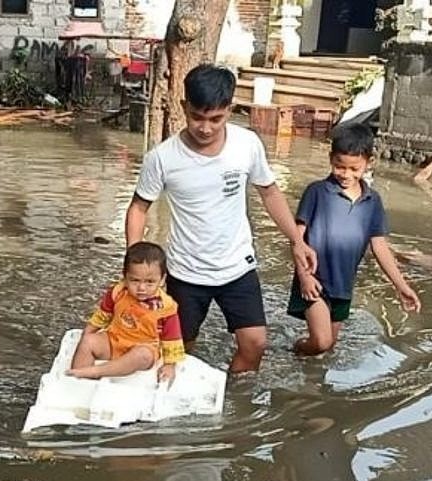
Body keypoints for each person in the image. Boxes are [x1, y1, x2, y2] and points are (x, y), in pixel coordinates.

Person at [125, 64, 317, 374]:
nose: (205, 128)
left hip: (237, 267)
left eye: (216, 118)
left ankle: (231, 401)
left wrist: (297, 241)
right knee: (176, 351)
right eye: (197, 117)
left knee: (255, 344)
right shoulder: (162, 158)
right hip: (185, 272)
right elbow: (138, 208)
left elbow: (269, 193)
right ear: (184, 107)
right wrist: (134, 264)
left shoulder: (246, 145)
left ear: (229, 109)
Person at [288, 123, 421, 355]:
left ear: (369, 163)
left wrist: (401, 286)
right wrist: (304, 276)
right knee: (321, 343)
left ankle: (308, 378)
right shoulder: (316, 192)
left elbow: (379, 247)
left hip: (343, 286)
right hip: (313, 280)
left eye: (354, 169)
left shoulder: (373, 202)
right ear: (331, 159)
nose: (346, 174)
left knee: (328, 349)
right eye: (340, 167)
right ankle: (295, 349)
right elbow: (297, 239)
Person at [68, 241, 185, 383]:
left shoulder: (166, 307)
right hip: (115, 340)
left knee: (142, 355)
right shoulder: (118, 292)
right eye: (135, 280)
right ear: (125, 276)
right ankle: (76, 382)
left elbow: (172, 339)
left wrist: (169, 365)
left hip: (144, 347)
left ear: (162, 280)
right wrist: (86, 335)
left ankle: (95, 372)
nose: (142, 288)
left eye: (150, 282)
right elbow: (102, 315)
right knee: (88, 341)